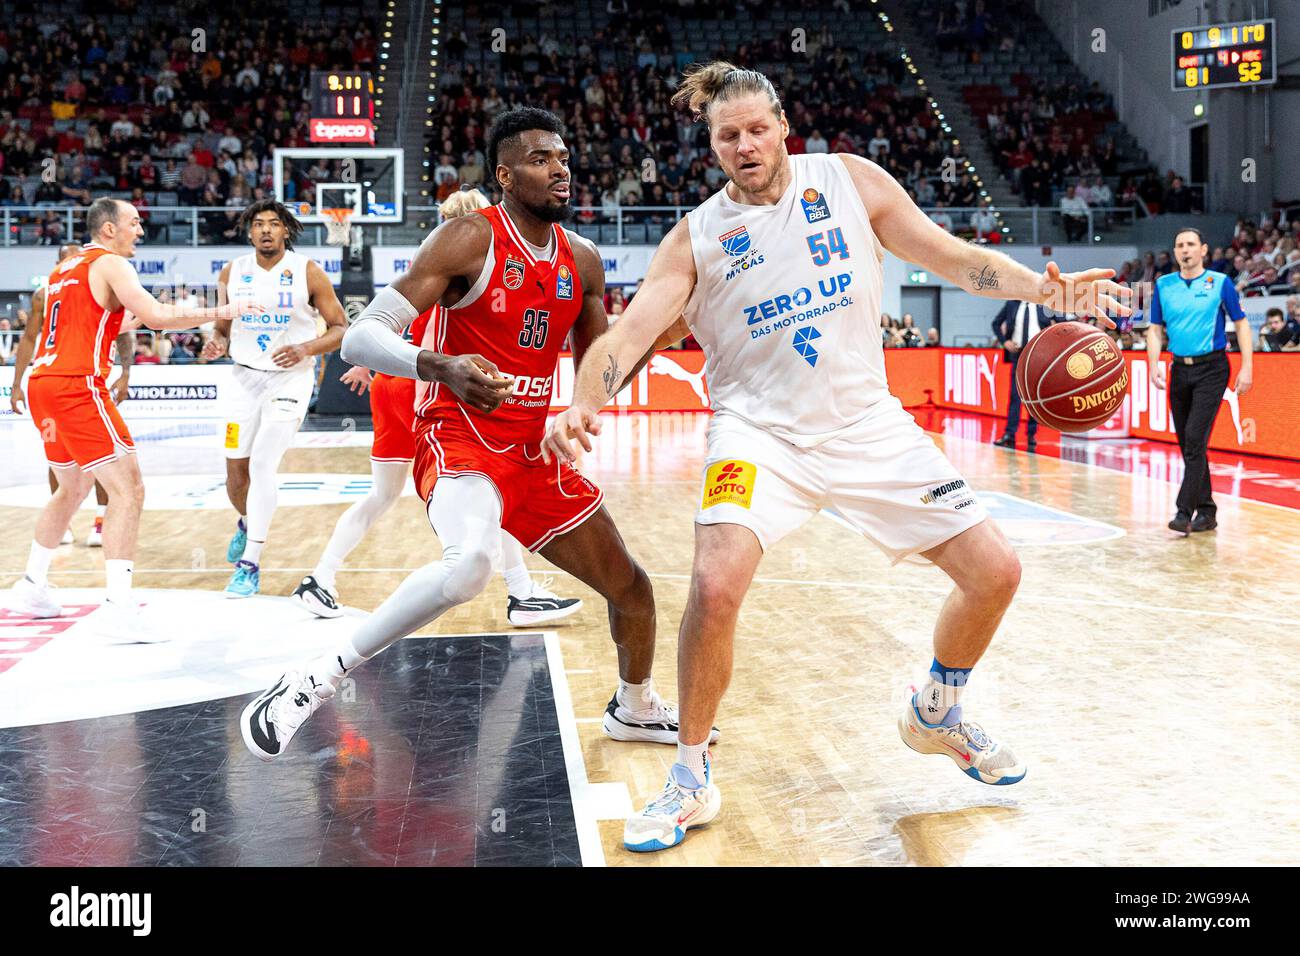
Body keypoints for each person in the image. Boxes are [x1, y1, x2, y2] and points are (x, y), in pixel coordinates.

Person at [545, 62, 1129, 852]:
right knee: (714, 585)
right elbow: (626, 335)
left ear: (784, 125)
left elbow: (952, 257)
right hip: (758, 435)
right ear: (711, 146)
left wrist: (1044, 290)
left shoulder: (849, 181)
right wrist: (583, 399)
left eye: (757, 129)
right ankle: (689, 777)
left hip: (868, 428)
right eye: (728, 136)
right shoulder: (698, 236)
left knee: (998, 572)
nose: (746, 145)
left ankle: (937, 709)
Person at [239, 107, 714, 763]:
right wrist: (437, 365)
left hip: (532, 453)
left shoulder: (584, 260)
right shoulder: (468, 239)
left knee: (632, 590)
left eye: (565, 158)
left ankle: (634, 708)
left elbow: (602, 362)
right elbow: (359, 336)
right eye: (543, 159)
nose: (560, 169)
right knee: (470, 567)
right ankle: (316, 676)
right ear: (505, 173)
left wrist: (655, 339)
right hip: (458, 439)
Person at [294, 187, 583, 627]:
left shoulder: (432, 259)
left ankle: (320, 576)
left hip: (396, 381)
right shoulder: (474, 260)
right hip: (427, 387)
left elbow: (385, 329)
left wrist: (371, 367)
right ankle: (522, 593)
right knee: (493, 483)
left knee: (384, 494)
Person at [7, 198, 250, 639]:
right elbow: (157, 317)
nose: (140, 230)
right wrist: (224, 311)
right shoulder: (111, 264)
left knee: (72, 486)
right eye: (134, 223)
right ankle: (119, 607)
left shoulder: (67, 268)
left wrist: (152, 318)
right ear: (108, 229)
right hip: (77, 384)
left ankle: (32, 584)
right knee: (129, 489)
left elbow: (105, 323)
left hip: (45, 384)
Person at [199, 200, 347, 598]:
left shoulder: (308, 272)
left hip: (289, 381)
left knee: (264, 464)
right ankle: (247, 521)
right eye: (259, 224)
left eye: (274, 224)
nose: (266, 230)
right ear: (249, 232)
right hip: (243, 379)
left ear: (286, 231)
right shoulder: (232, 271)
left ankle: (250, 564)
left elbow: (340, 328)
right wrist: (215, 341)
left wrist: (306, 349)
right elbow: (222, 327)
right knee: (236, 475)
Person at [11, 242, 133, 547]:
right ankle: (61, 523)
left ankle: (102, 520)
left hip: (91, 381)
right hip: (60, 380)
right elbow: (28, 339)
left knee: (104, 459)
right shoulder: (48, 291)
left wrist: (126, 373)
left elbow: (123, 331)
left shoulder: (100, 281)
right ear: (58, 263)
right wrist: (16, 384)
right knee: (61, 461)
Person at [1147, 227, 1253, 534]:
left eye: (1191, 244)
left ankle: (1184, 511)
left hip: (1213, 368)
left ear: (1203, 249)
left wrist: (1247, 367)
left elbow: (1242, 325)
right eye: (1180, 245)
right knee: (1188, 444)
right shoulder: (1163, 285)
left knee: (1194, 438)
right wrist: (1154, 362)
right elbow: (1154, 329)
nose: (1185, 250)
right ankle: (1207, 511)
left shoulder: (1220, 283)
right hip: (1179, 369)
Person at [991, 299, 1054, 452]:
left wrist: (1050, 337)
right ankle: (1009, 435)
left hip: (1038, 354)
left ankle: (1031, 434)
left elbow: (1060, 323)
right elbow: (995, 323)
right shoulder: (1012, 304)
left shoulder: (1044, 304)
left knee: (1034, 397)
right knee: (1015, 395)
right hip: (1018, 354)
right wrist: (1004, 341)